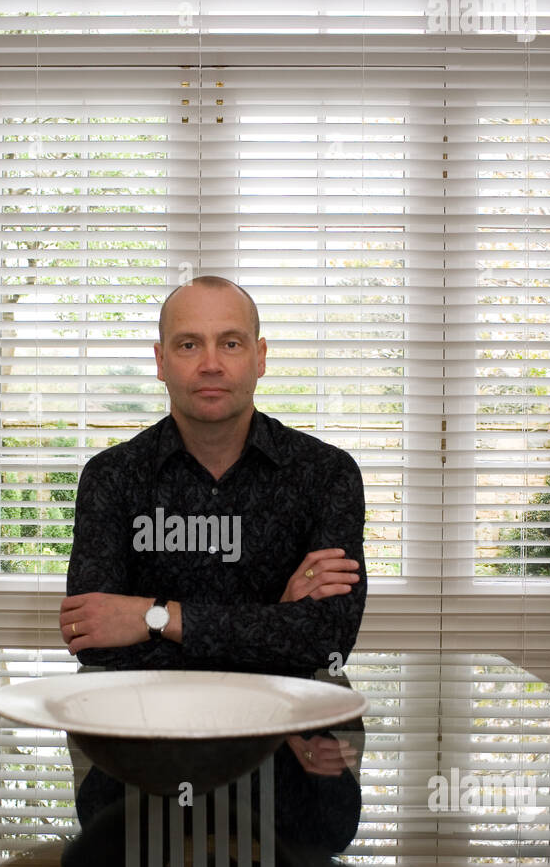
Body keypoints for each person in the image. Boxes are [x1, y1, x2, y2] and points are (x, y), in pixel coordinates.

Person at [59, 275, 367, 679]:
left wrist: (154, 618)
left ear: (260, 358)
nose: (210, 365)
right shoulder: (111, 477)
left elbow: (326, 644)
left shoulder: (327, 475)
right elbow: (96, 643)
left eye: (230, 343)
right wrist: (276, 618)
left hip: (286, 732)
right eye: (189, 345)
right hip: (143, 729)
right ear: (160, 361)